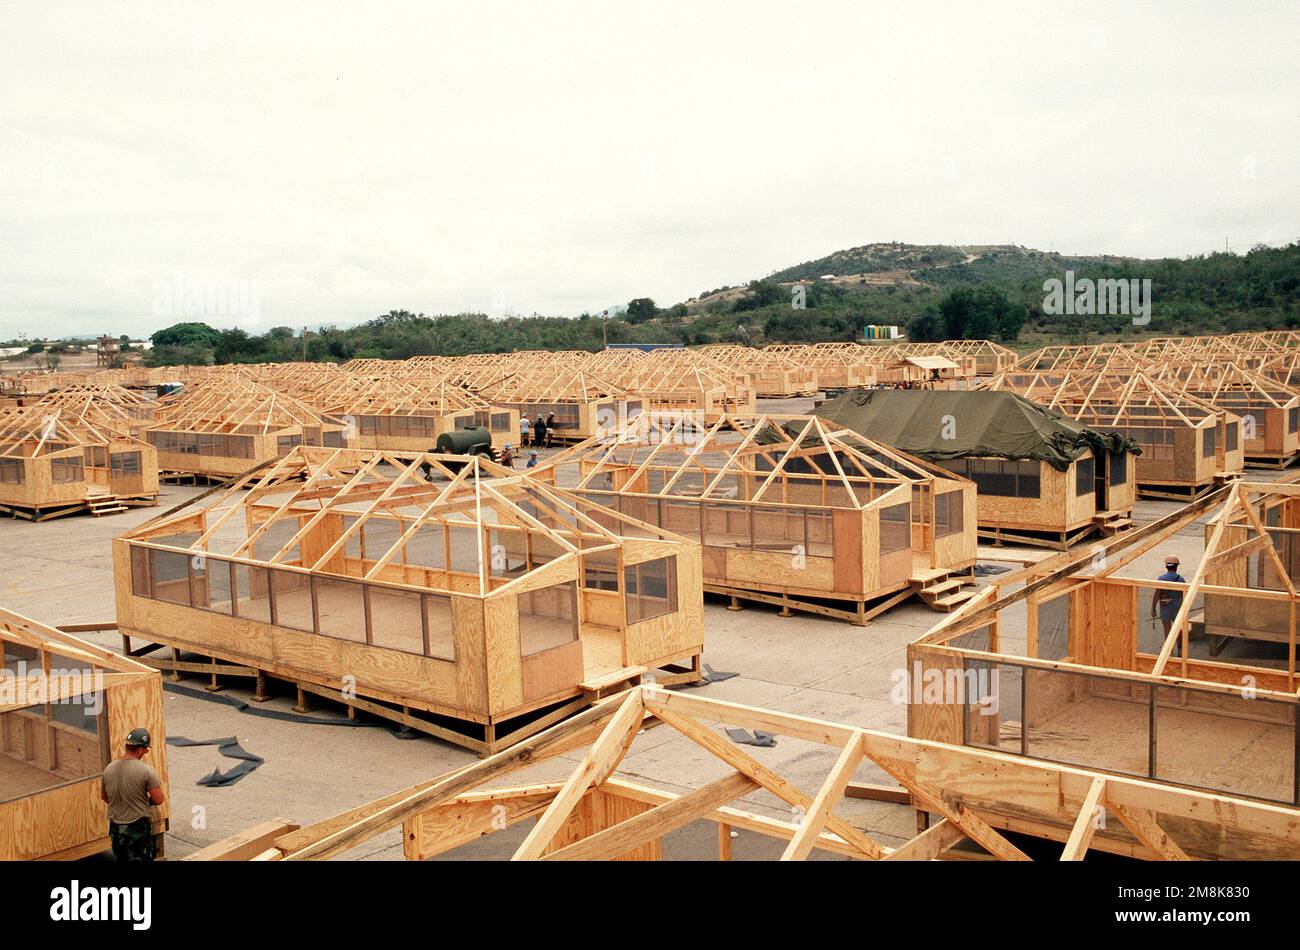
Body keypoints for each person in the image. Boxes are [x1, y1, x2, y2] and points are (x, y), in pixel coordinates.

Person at [100, 727, 165, 861]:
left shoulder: (109, 769)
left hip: (116, 829)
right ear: (140, 749)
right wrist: (144, 802)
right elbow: (158, 799)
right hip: (137, 829)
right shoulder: (146, 771)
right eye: (146, 750)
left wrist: (121, 804)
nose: (145, 753)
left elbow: (104, 797)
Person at [1151, 554, 1186, 636]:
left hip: (1165, 606)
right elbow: (1184, 595)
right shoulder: (1181, 579)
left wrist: (1153, 607)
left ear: (1166, 566)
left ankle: (1169, 648)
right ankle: (1180, 647)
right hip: (1177, 606)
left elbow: (1157, 594)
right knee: (1179, 629)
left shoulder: (1161, 579)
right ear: (1176, 566)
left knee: (1167, 631)